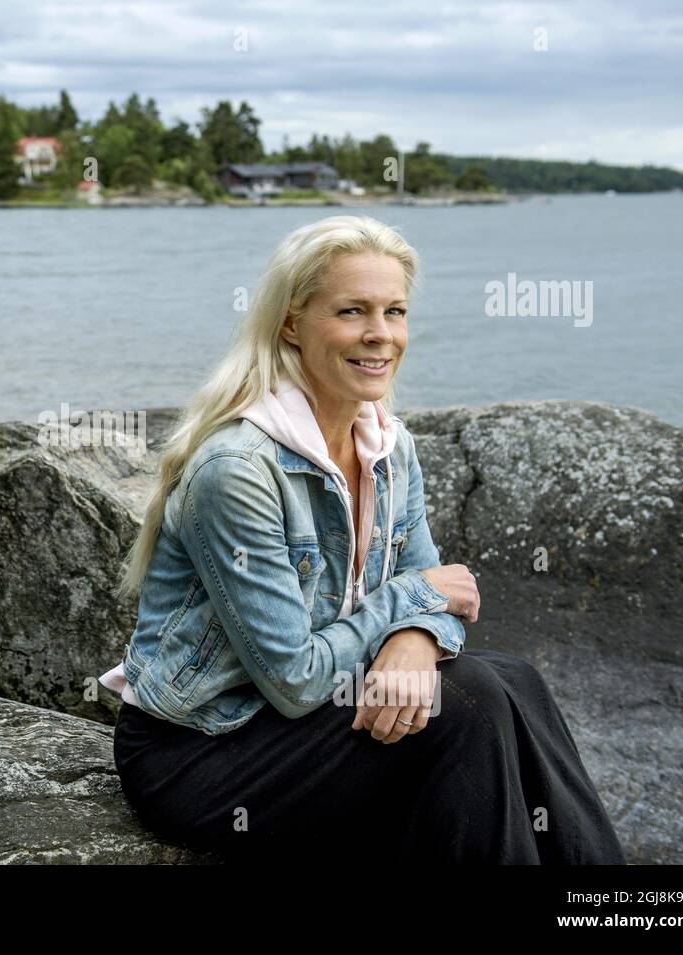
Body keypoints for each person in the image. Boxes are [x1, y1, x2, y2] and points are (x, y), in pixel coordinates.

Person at [98, 215, 627, 864]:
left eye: (394, 311)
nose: (381, 334)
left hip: (302, 718)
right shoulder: (238, 470)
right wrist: (412, 602)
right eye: (352, 311)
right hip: (202, 750)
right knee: (466, 703)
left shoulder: (387, 443)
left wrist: (412, 638)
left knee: (514, 678)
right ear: (292, 323)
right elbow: (295, 677)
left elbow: (439, 600)